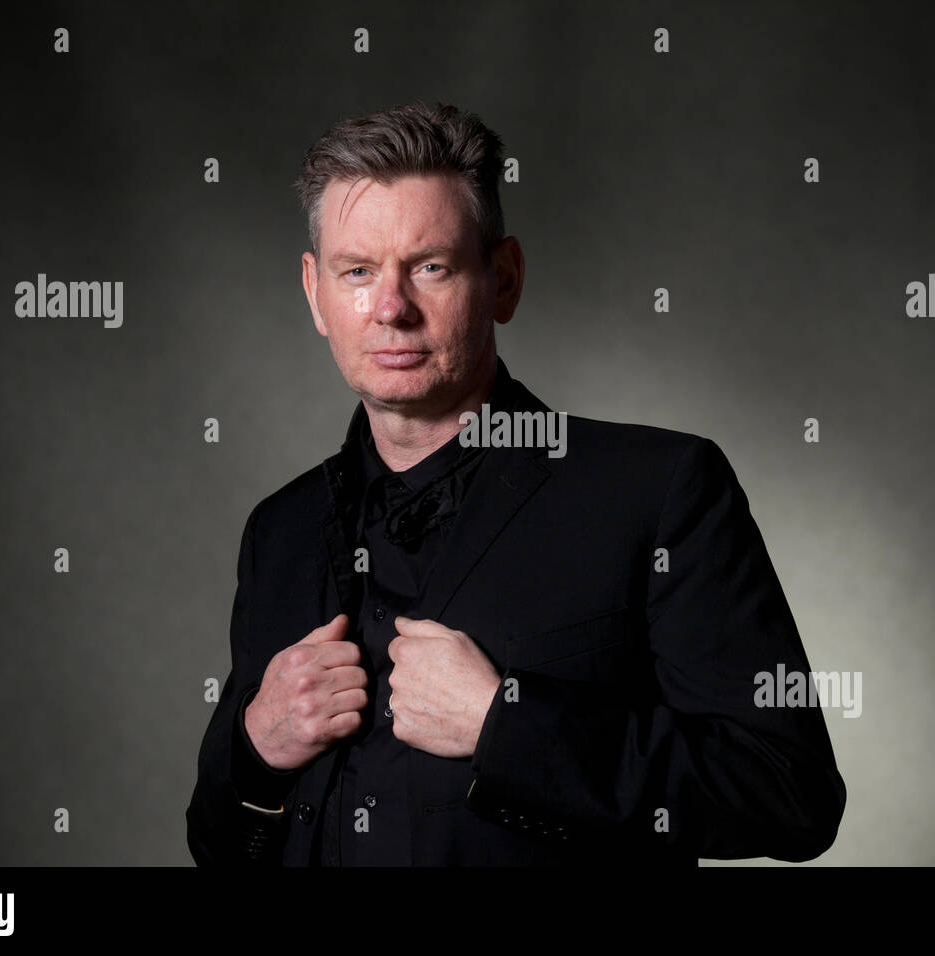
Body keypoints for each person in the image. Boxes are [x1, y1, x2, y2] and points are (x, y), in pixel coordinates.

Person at [186, 101, 845, 866]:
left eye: (430, 266)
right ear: (316, 295)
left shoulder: (658, 491)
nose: (391, 308)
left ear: (503, 279)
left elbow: (790, 795)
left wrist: (505, 727)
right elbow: (219, 846)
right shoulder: (280, 529)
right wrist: (256, 747)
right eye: (358, 272)